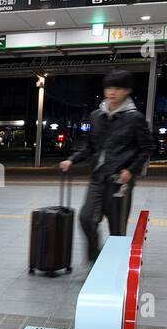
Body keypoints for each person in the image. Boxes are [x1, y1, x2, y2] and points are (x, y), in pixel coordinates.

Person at [59, 70, 154, 260]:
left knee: (117, 227)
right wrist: (72, 160)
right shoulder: (96, 116)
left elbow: (147, 147)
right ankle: (96, 257)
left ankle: (118, 260)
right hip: (97, 178)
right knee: (86, 218)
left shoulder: (134, 118)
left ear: (127, 91)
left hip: (120, 181)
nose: (112, 92)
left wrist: (131, 170)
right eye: (109, 88)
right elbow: (90, 146)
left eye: (118, 88)